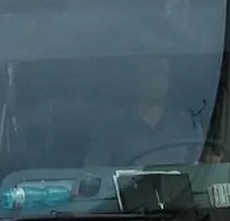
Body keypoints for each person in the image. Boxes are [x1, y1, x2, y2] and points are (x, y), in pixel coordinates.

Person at [85, 54, 213, 166]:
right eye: (150, 73)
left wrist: (212, 161)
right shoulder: (110, 126)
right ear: (136, 78)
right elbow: (94, 174)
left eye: (161, 73)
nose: (156, 80)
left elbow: (204, 167)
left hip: (182, 191)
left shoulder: (188, 122)